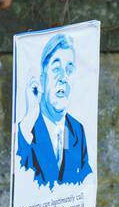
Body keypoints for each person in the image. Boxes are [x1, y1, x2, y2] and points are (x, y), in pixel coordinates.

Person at [16, 33, 92, 188]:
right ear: (42, 77)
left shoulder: (76, 130)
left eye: (69, 70)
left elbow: (85, 184)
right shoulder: (27, 129)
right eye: (56, 69)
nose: (63, 77)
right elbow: (19, 171)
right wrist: (29, 117)